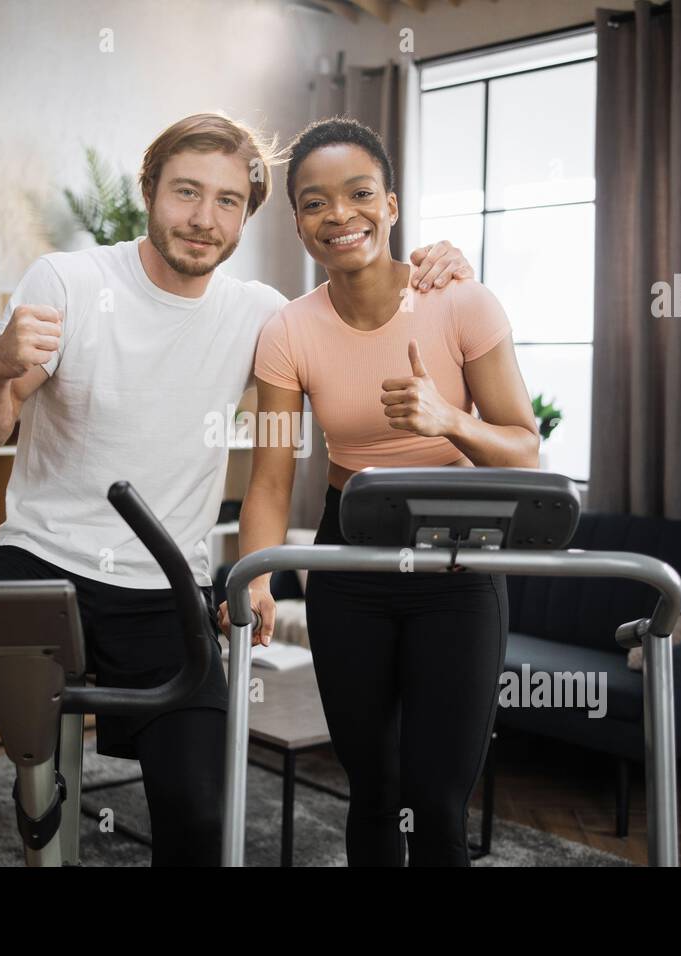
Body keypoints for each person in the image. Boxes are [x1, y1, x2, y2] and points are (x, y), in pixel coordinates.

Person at [0, 111, 476, 867]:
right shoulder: (69, 280)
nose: (203, 219)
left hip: (165, 584)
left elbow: (283, 444)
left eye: (227, 201)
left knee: (200, 811)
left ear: (250, 215)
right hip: (39, 559)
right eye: (186, 193)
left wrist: (437, 263)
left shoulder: (263, 315)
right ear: (149, 191)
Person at [219, 117, 540, 866]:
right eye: (314, 202)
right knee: (373, 786)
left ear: (391, 205)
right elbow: (270, 478)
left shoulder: (461, 301)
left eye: (359, 193)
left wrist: (449, 420)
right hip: (350, 557)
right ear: (297, 220)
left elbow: (524, 453)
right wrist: (258, 574)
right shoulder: (288, 331)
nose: (340, 216)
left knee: (434, 802)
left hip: (459, 562)